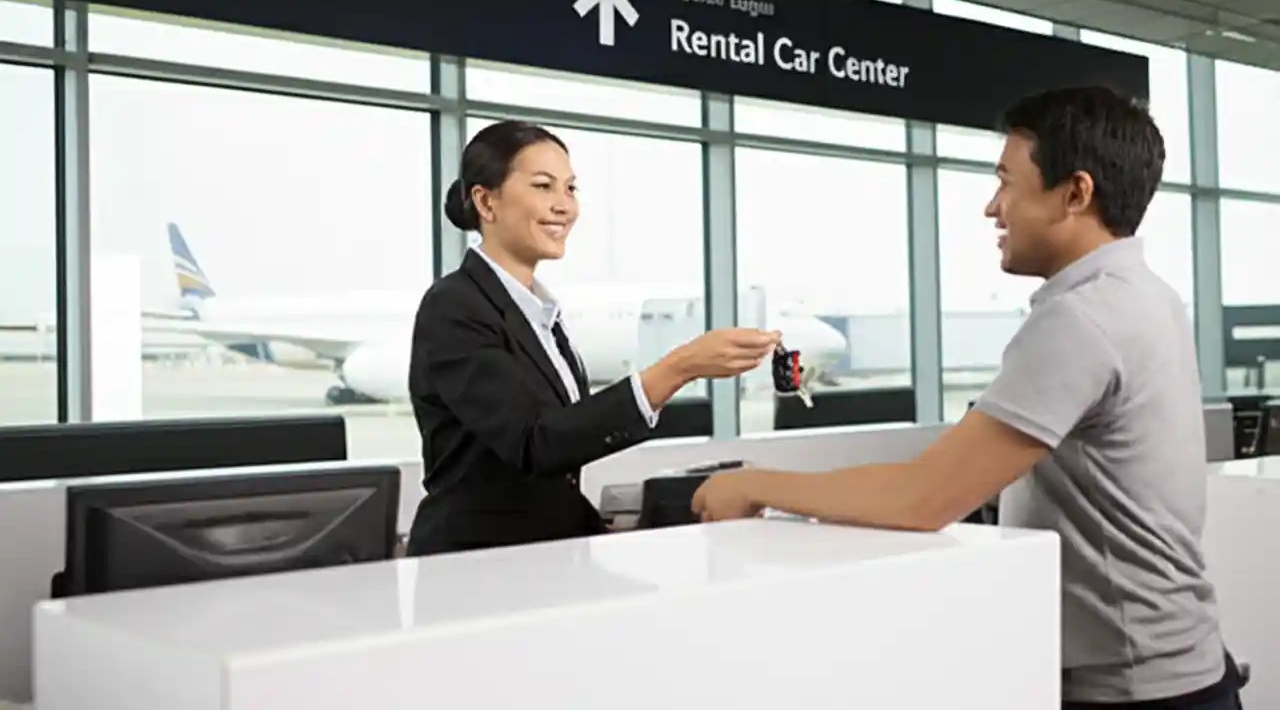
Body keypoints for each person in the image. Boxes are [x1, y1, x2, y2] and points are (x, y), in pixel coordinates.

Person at [691, 87, 1244, 708]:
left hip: (1133, 686)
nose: (992, 207)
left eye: (1006, 182)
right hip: (1179, 667)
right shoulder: (1146, 294)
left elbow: (923, 498)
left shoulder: (1084, 319)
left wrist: (754, 483)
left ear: (1075, 193)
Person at [406, 119, 780, 557]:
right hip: (475, 566)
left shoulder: (541, 315)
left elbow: (568, 443)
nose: (564, 205)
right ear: (486, 202)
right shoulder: (454, 306)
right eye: (544, 186)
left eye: (570, 189)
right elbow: (537, 443)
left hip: (544, 556)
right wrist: (681, 367)